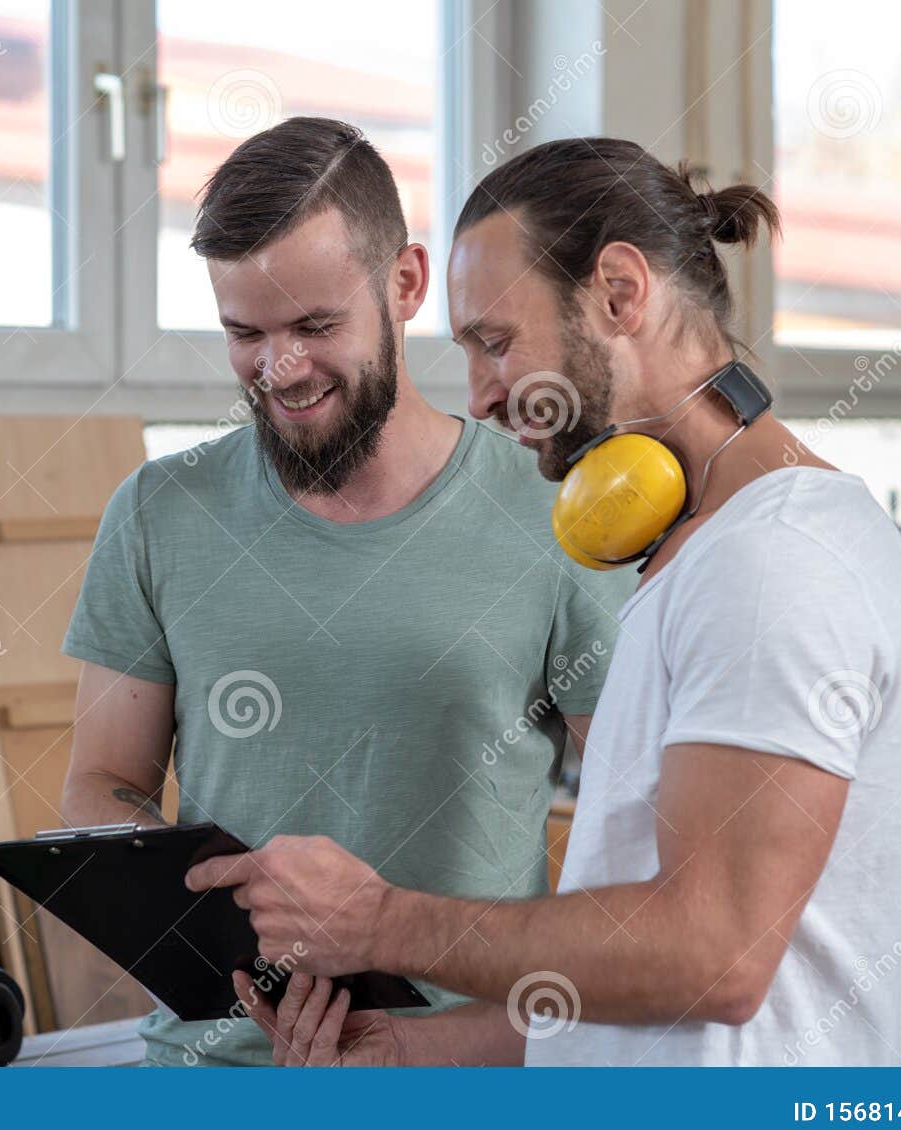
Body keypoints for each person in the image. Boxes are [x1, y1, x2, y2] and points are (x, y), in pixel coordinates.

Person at [185, 137, 901, 1067]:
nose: (481, 397)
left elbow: (711, 956)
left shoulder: (773, 557)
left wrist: (379, 921)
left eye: (497, 343)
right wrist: (406, 1049)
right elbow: (636, 984)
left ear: (620, 293)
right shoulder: (707, 549)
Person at [59, 119, 630, 1066]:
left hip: (454, 1072)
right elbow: (101, 783)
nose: (280, 368)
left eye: (315, 327)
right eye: (246, 333)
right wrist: (215, 917)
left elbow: (644, 831)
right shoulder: (160, 511)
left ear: (405, 283)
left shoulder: (557, 512)